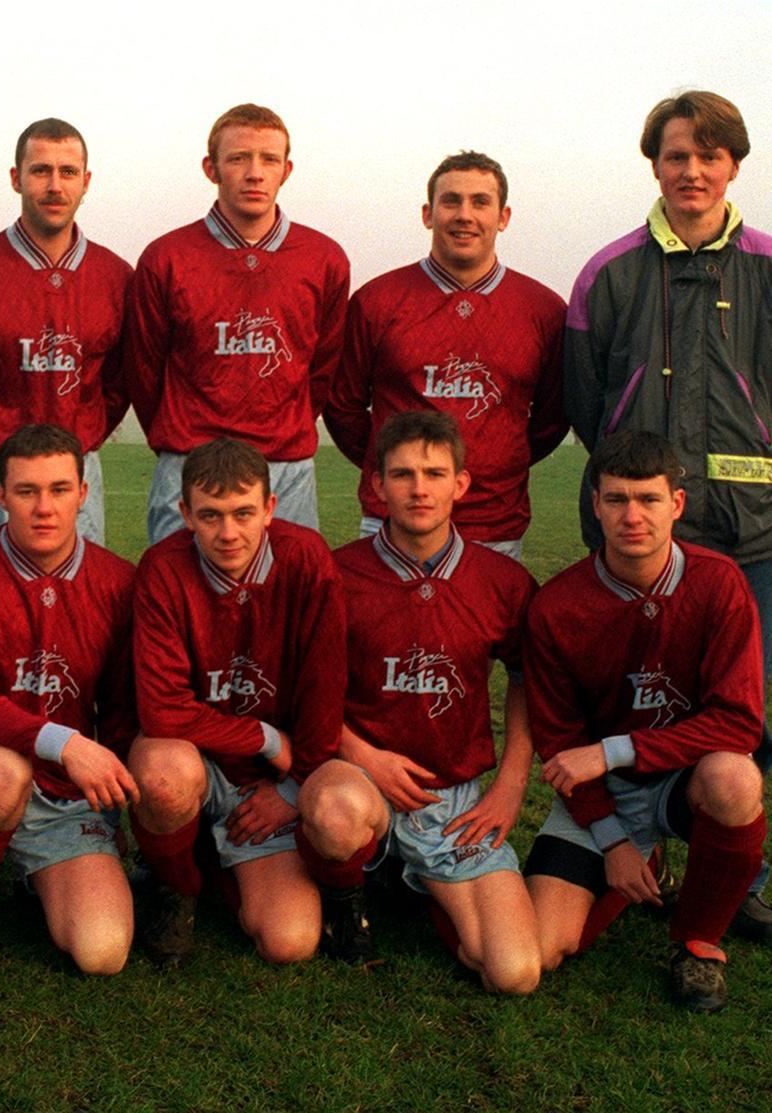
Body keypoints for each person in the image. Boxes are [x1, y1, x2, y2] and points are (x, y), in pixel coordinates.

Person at [563, 90, 772, 936]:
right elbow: (586, 403)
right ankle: (631, 849)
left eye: (709, 155)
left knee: (741, 721)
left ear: (734, 164)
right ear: (654, 163)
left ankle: (732, 872)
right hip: (638, 539)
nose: (692, 171)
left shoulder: (765, 265)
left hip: (754, 534)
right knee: (630, 705)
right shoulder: (608, 272)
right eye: (676, 155)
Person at [523, 431, 765, 1012]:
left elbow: (738, 723)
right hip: (599, 793)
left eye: (649, 500)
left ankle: (698, 945)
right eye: (617, 500)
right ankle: (647, 863)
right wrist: (612, 841)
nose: (633, 516)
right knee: (542, 949)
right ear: (595, 504)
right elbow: (558, 741)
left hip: (686, 777)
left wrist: (612, 750)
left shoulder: (718, 582)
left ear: (675, 504)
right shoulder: (558, 607)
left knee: (736, 780)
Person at [306, 411, 540, 992]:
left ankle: (418, 883)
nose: (419, 488)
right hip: (359, 781)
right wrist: (366, 756)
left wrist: (510, 786)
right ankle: (350, 900)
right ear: (377, 484)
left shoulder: (502, 581)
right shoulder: (336, 575)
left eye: (434, 474)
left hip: (448, 800)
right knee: (336, 813)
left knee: (514, 973)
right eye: (402, 474)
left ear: (461, 484)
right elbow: (304, 693)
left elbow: (527, 678)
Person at [127, 437, 359, 966]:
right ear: (184, 513)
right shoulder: (163, 569)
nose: (228, 532)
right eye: (210, 515)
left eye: (243, 513)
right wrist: (263, 736)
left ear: (270, 509)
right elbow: (161, 709)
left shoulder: (306, 561)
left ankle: (213, 860)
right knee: (161, 774)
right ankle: (176, 888)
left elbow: (324, 691)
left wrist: (296, 786)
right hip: (199, 761)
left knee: (289, 942)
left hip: (275, 778)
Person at [0, 424, 138, 974]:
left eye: (60, 490)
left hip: (66, 790)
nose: (44, 507)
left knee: (103, 952)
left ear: (83, 493)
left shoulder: (118, 581)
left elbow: (120, 709)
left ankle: (22, 866)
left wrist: (111, 800)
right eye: (26, 491)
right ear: (1, 496)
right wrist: (64, 743)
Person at [124, 104, 349, 544]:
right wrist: (181, 436)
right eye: (238, 158)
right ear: (211, 168)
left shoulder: (324, 258)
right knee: (182, 601)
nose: (254, 173)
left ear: (286, 170)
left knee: (288, 606)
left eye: (268, 160)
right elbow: (143, 371)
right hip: (190, 462)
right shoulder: (165, 257)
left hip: (285, 465)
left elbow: (321, 368)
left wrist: (284, 426)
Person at [324, 151, 566, 559]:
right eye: (451, 201)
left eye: (480, 202)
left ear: (504, 217)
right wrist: (393, 467)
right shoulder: (377, 301)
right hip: (391, 519)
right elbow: (342, 406)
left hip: (494, 521)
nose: (464, 215)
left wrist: (499, 460)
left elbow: (553, 417)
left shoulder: (543, 310)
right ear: (428, 213)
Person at [0, 120, 131, 556]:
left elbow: (121, 382)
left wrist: (80, 438)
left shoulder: (115, 277)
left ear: (86, 181)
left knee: (74, 615)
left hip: (70, 476)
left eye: (68, 172)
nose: (55, 185)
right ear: (16, 178)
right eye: (40, 171)